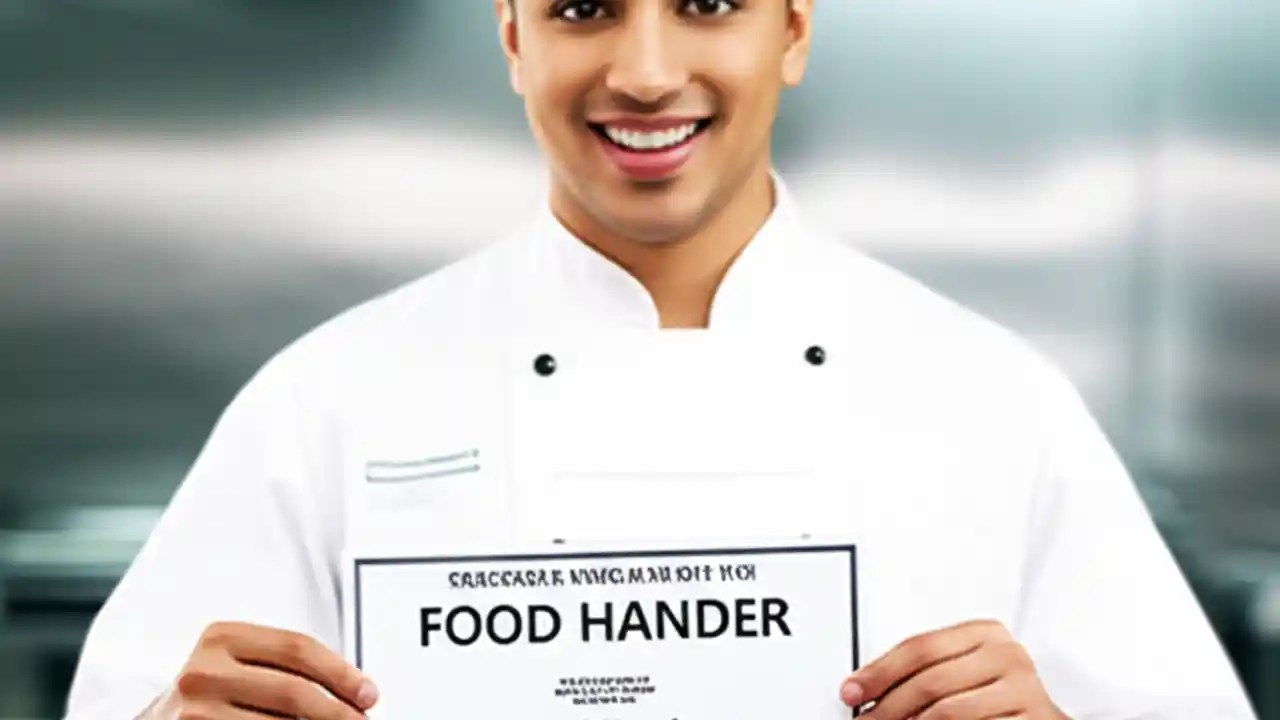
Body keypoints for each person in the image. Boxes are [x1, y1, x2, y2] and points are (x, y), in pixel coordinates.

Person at [65, 1, 1257, 719]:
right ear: (509, 35)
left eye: (703, 0)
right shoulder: (326, 397)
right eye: (582, 5)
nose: (641, 69)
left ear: (790, 29)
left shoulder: (989, 396)